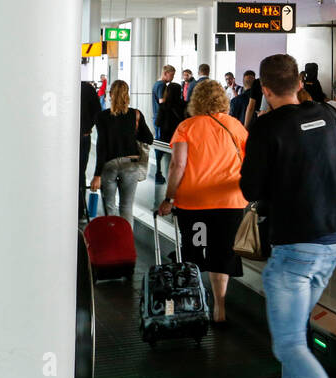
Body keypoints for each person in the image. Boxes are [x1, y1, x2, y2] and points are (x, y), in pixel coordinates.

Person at [239, 53, 336, 378]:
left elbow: (250, 189)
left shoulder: (266, 127)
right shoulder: (328, 115)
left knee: (287, 344)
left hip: (293, 248)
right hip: (332, 241)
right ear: (300, 83)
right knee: (298, 334)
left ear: (264, 88)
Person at [158, 78, 249, 326]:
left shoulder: (186, 126)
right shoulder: (236, 126)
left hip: (193, 202)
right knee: (222, 253)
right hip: (230, 202)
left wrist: (169, 198)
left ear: (196, 100)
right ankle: (220, 308)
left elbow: (178, 166)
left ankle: (195, 303)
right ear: (223, 99)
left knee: (195, 252)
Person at [90, 80, 154, 226]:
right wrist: (131, 134)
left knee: (109, 208)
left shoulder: (102, 117)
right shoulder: (135, 114)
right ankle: (126, 245)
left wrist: (97, 175)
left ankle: (112, 244)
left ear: (110, 94)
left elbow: (102, 147)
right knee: (126, 208)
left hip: (109, 165)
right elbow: (149, 139)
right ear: (127, 95)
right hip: (130, 165)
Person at [79, 79, 100, 221]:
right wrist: (87, 127)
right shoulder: (88, 89)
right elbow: (97, 113)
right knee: (80, 173)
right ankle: (79, 210)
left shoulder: (57, 84)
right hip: (83, 137)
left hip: (60, 139)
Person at [151, 65, 176, 185]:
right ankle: (159, 172)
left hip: (157, 118)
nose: (173, 77)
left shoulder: (156, 84)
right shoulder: (161, 85)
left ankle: (159, 171)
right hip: (161, 119)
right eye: (172, 74)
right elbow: (162, 102)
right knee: (161, 144)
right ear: (166, 73)